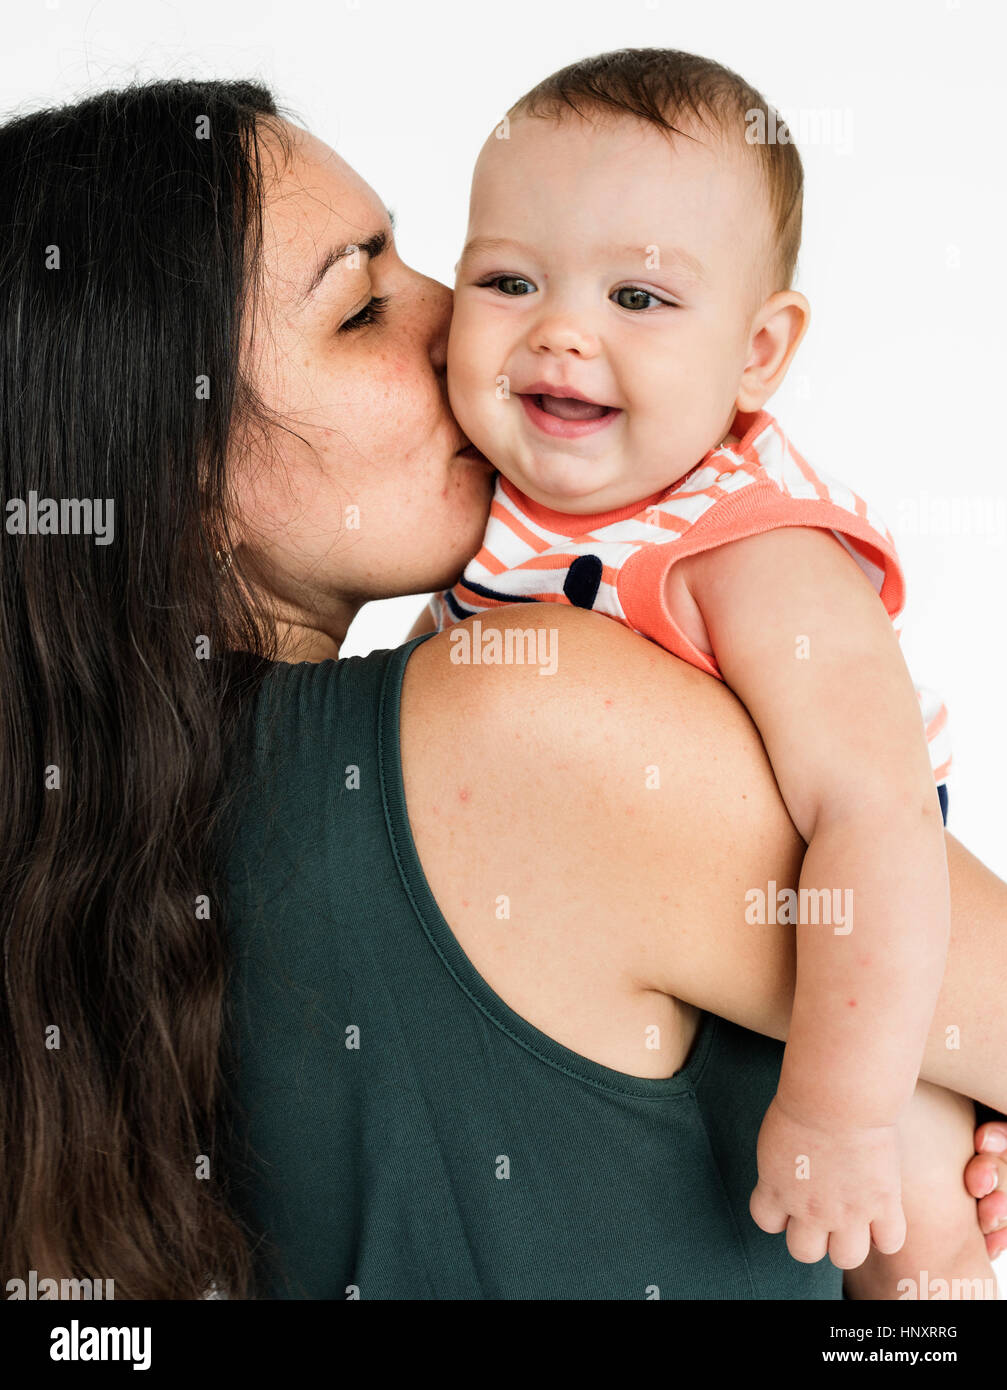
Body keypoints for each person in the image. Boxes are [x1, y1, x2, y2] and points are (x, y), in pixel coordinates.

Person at [0, 77, 1003, 1302]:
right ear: (181, 483)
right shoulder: (519, 711)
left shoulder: (93, 866)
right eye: (364, 305)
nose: (464, 321)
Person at [426, 47, 965, 1282]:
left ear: (758, 352)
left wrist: (838, 1102)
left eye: (640, 299)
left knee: (915, 1214)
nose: (559, 330)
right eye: (507, 280)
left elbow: (874, 819)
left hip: (852, 953)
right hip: (635, 970)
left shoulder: (743, 543)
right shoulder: (490, 518)